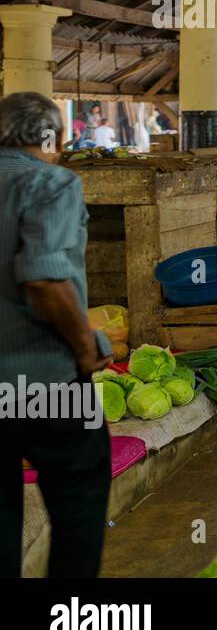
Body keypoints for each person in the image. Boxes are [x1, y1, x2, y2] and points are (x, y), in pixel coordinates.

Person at [0, 92, 113, 578]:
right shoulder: (50, 182)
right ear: (54, 138)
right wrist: (86, 347)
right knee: (79, 506)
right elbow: (45, 279)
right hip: (45, 384)